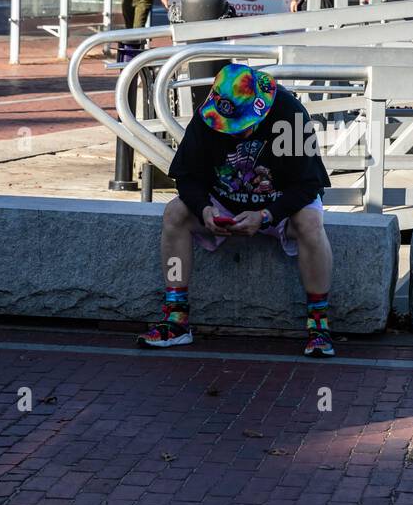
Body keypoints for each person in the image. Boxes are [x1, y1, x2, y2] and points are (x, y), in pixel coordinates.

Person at [140, 64, 337, 357]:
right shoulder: (209, 114)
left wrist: (267, 216)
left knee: (310, 222)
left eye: (241, 126)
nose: (234, 134)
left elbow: (309, 185)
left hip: (279, 206)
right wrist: (204, 209)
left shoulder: (290, 114)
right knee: (174, 213)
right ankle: (176, 317)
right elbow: (187, 175)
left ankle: (319, 324)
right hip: (223, 203)